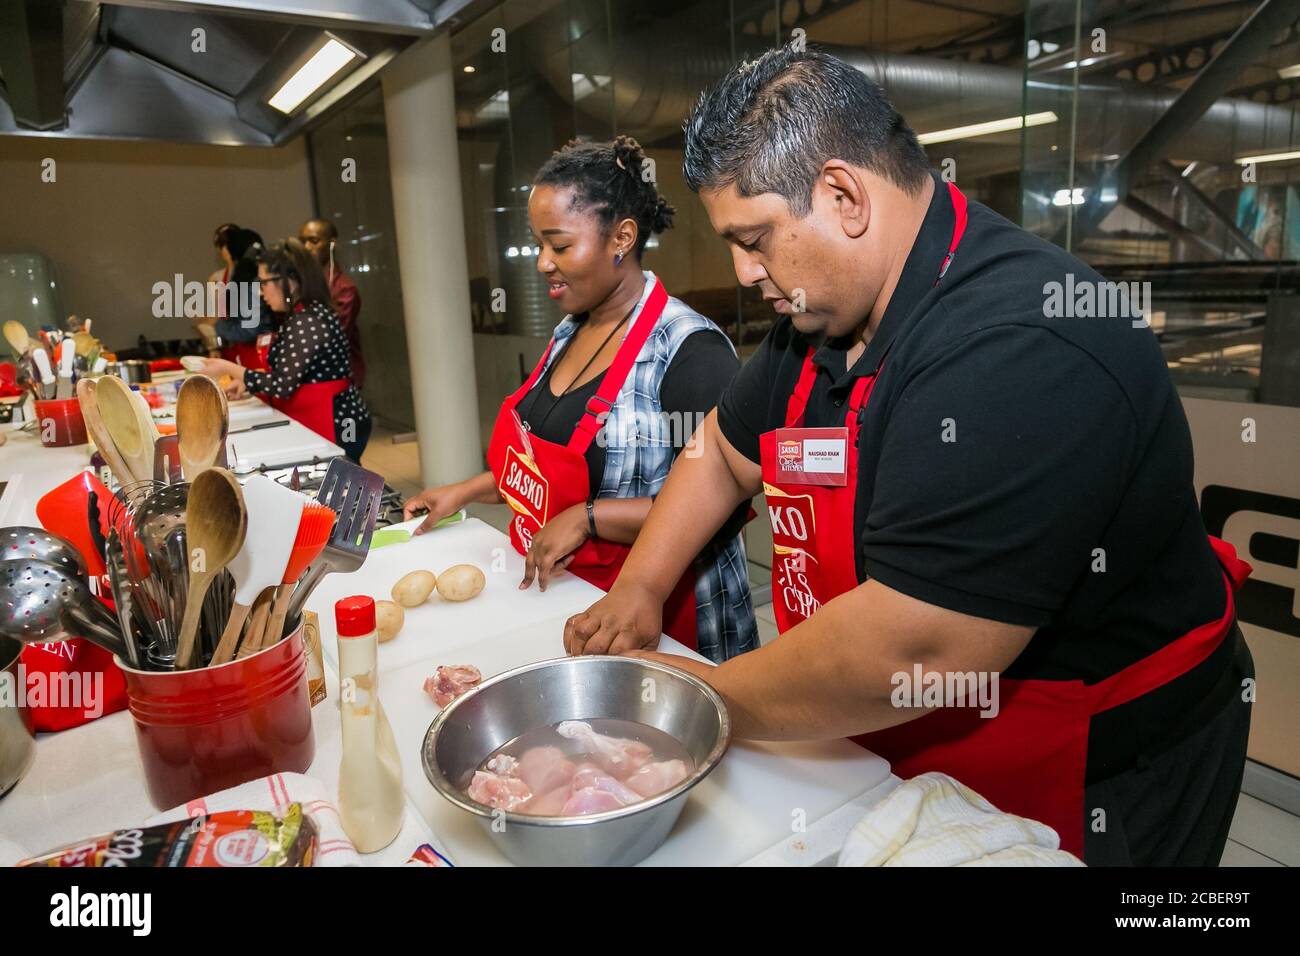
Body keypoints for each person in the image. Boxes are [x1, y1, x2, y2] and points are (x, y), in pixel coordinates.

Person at [563, 47, 1254, 866]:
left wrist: (692, 702)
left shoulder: (1023, 344)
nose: (744, 274)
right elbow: (718, 451)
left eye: (753, 240)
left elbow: (912, 651)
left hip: (1099, 755)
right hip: (901, 727)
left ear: (844, 196)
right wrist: (642, 586)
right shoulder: (817, 320)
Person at [402, 136, 757, 663]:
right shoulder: (570, 332)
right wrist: (470, 489)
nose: (543, 262)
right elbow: (549, 466)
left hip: (676, 626)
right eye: (539, 245)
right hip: (578, 604)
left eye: (560, 245)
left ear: (622, 237)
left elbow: (720, 504)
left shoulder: (688, 351)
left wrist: (589, 516)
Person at [201, 238, 371, 462]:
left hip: (337, 420)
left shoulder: (307, 320)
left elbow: (282, 384)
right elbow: (294, 373)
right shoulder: (306, 313)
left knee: (343, 484)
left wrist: (229, 368)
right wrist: (246, 381)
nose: (262, 293)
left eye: (264, 283)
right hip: (332, 415)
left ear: (289, 282)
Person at [299, 218, 365, 389]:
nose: (306, 248)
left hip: (339, 379)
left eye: (313, 241)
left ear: (331, 243)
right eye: (302, 241)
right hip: (311, 376)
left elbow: (331, 339)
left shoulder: (344, 288)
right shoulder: (305, 283)